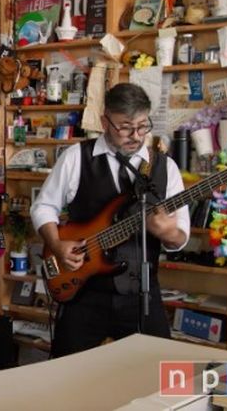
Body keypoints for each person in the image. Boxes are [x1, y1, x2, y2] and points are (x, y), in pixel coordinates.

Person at [30, 83, 190, 357]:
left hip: (142, 295)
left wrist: (168, 233)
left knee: (159, 374)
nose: (136, 136)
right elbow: (43, 207)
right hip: (86, 293)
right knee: (63, 376)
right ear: (105, 122)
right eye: (125, 127)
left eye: (142, 126)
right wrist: (56, 245)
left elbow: (180, 236)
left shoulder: (166, 168)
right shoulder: (76, 157)